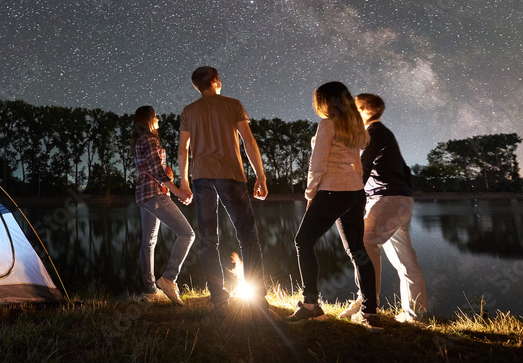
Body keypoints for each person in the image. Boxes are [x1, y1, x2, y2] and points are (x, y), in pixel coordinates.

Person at [288, 81, 382, 330]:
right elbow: (358, 164)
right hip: (354, 192)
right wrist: (359, 194)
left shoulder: (327, 124)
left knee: (303, 242)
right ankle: (370, 312)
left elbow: (316, 164)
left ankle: (311, 306)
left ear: (325, 102)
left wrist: (310, 194)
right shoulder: (354, 126)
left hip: (332, 191)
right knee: (357, 250)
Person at [177, 67, 269, 312]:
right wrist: (260, 175)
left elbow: (183, 150)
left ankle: (218, 297)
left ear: (197, 86)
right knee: (248, 235)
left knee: (208, 240)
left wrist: (184, 182)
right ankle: (258, 297)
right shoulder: (233, 104)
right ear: (216, 81)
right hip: (230, 175)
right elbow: (249, 141)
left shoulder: (188, 111)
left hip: (201, 178)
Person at [339, 93, 427, 323]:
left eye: (353, 108)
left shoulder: (374, 133)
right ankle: (415, 314)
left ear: (364, 110)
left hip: (388, 200)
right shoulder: (381, 134)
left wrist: (352, 197)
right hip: (399, 200)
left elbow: (363, 166)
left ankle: (366, 305)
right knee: (405, 261)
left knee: (366, 243)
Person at [131, 105, 195, 305]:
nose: (159, 119)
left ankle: (150, 290)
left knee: (148, 242)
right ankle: (168, 279)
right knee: (187, 234)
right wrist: (178, 192)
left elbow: (152, 169)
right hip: (155, 195)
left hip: (144, 196)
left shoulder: (139, 141)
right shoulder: (149, 139)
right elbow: (157, 172)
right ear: (150, 120)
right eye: (156, 117)